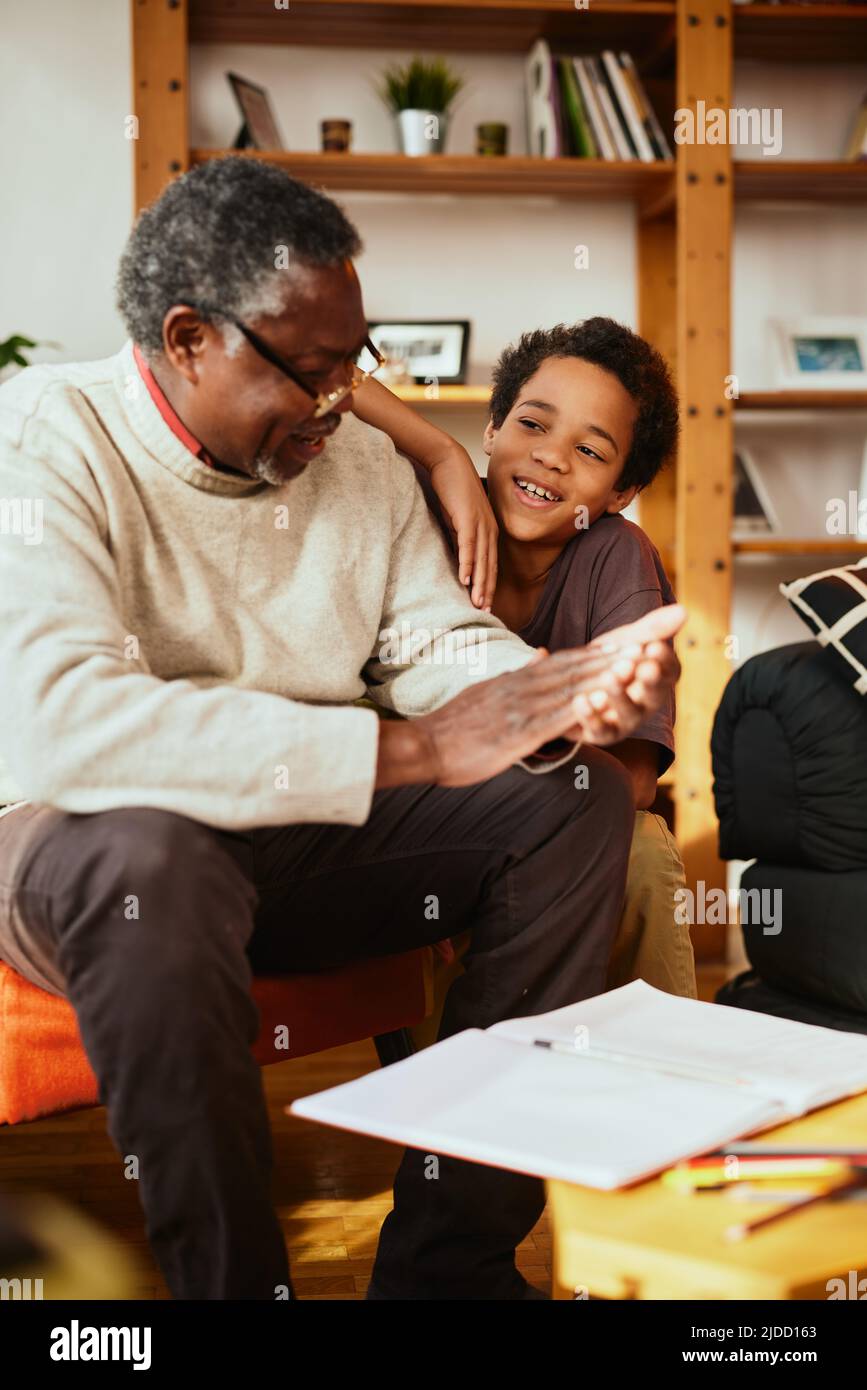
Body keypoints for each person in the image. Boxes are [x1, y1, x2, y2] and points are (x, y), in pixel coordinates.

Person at [0, 156, 683, 1301]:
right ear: (188, 339)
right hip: (87, 847)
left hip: (301, 834)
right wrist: (411, 751)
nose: (344, 399)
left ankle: (445, 1267)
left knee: (574, 800)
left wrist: (552, 699)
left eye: (356, 366)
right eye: (315, 372)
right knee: (157, 850)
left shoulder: (357, 459)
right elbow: (69, 726)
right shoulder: (44, 438)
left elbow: (427, 642)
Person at [352, 319, 697, 1002]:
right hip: (421, 821)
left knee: (644, 848)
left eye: (590, 452)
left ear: (620, 494)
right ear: (491, 430)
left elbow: (629, 779)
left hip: (560, 820)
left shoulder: (616, 556)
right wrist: (438, 451)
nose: (549, 458)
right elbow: (332, 382)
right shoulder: (419, 510)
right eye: (531, 425)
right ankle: (461, 1088)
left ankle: (662, 1071)